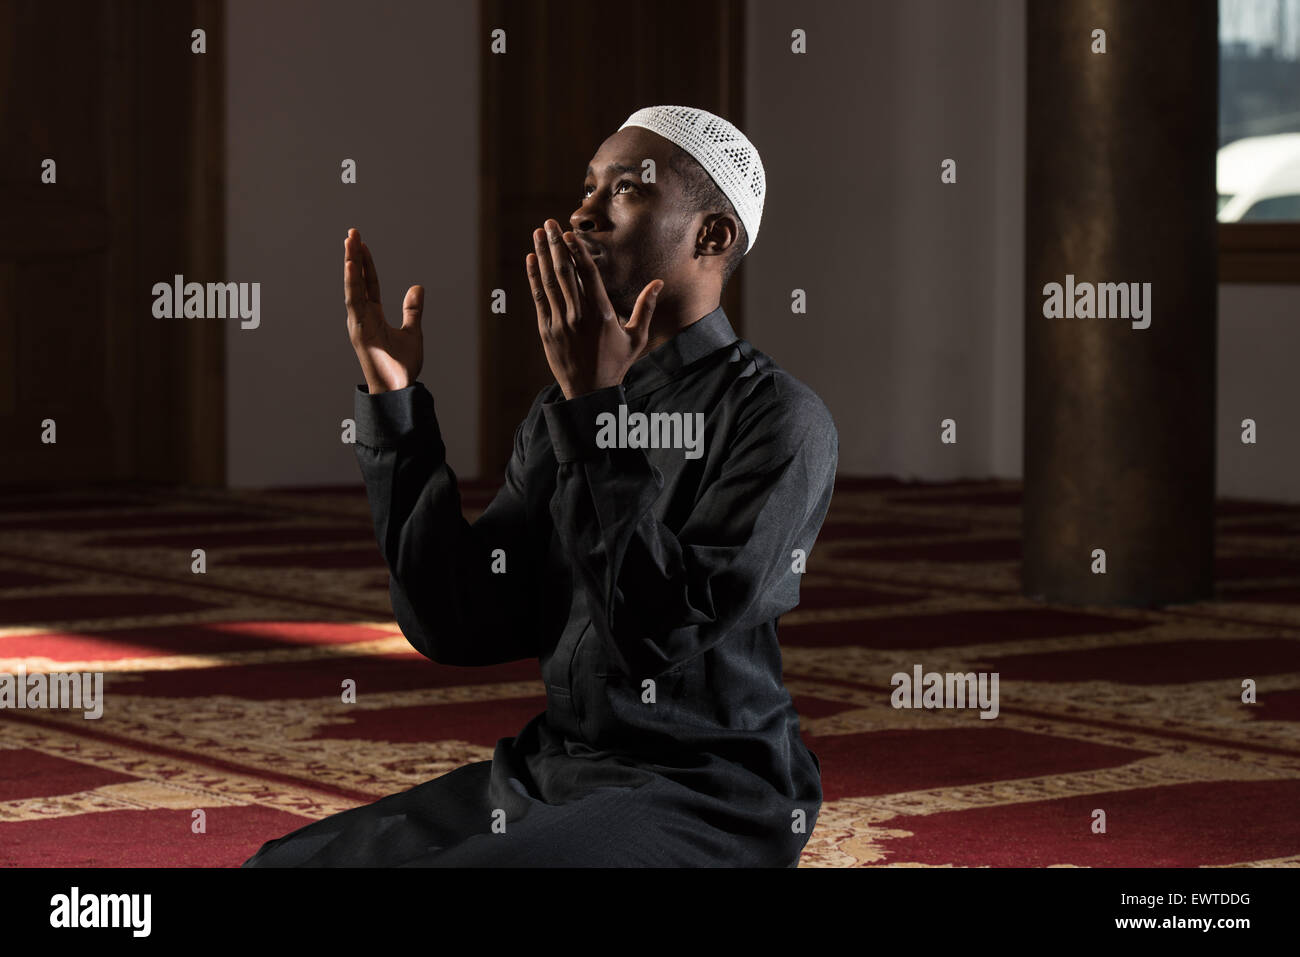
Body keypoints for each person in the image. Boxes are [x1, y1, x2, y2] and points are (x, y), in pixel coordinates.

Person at [242, 105, 838, 868]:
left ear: (711, 236)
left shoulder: (779, 419)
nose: (582, 213)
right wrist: (395, 408)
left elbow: (656, 636)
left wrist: (595, 412)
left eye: (624, 191)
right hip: (553, 768)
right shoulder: (564, 405)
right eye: (586, 187)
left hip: (705, 791)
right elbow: (461, 622)